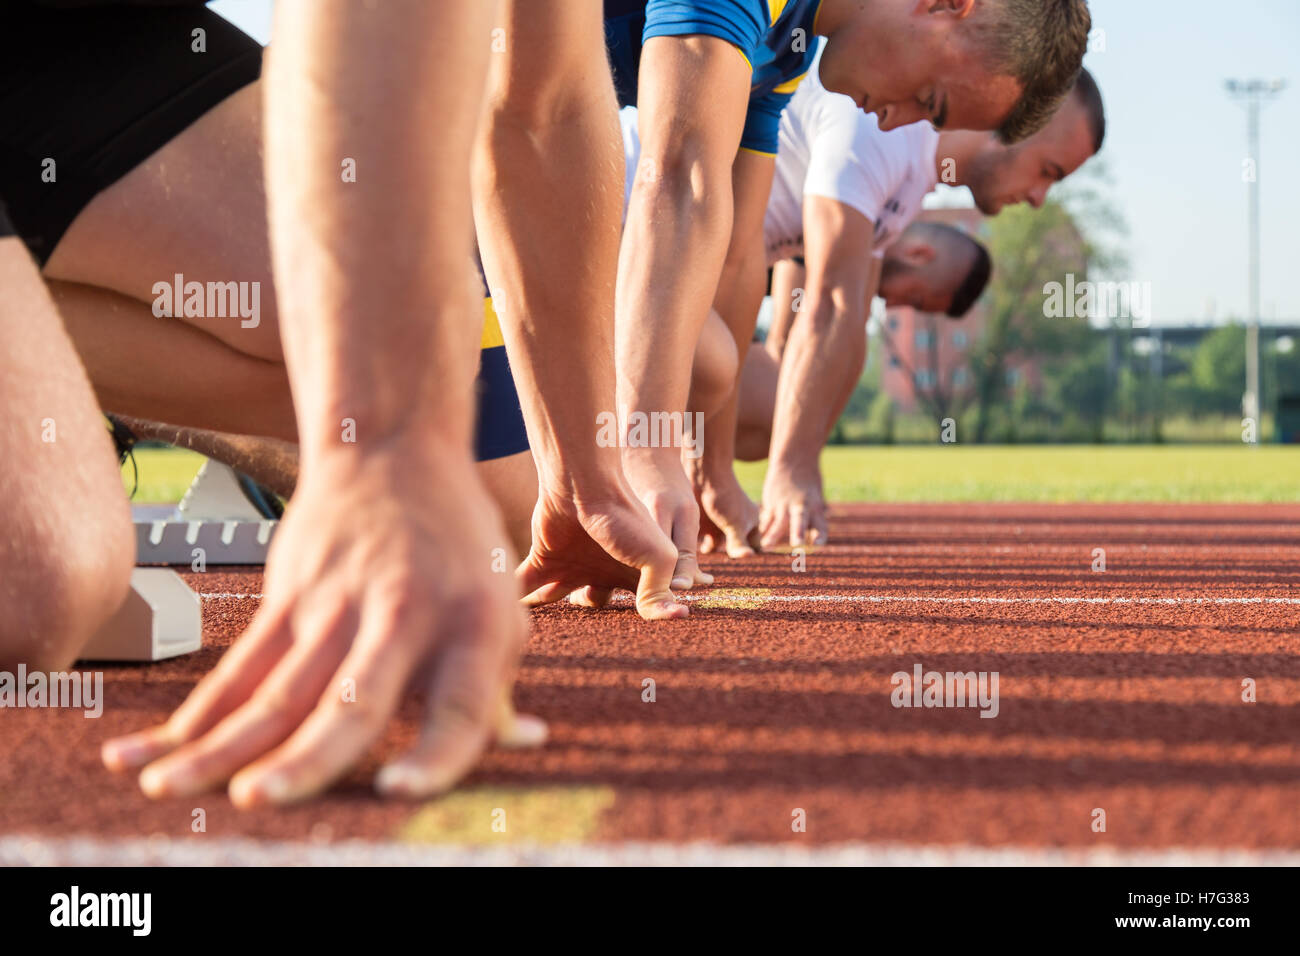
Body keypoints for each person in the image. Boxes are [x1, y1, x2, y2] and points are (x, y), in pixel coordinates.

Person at [605, 0, 1093, 594]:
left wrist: (714, 472)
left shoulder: (790, 54)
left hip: (571, 219)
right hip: (558, 217)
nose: (898, 122)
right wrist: (648, 453)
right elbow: (681, 178)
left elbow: (740, 259)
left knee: (717, 367)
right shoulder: (857, 121)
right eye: (931, 101)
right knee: (531, 511)